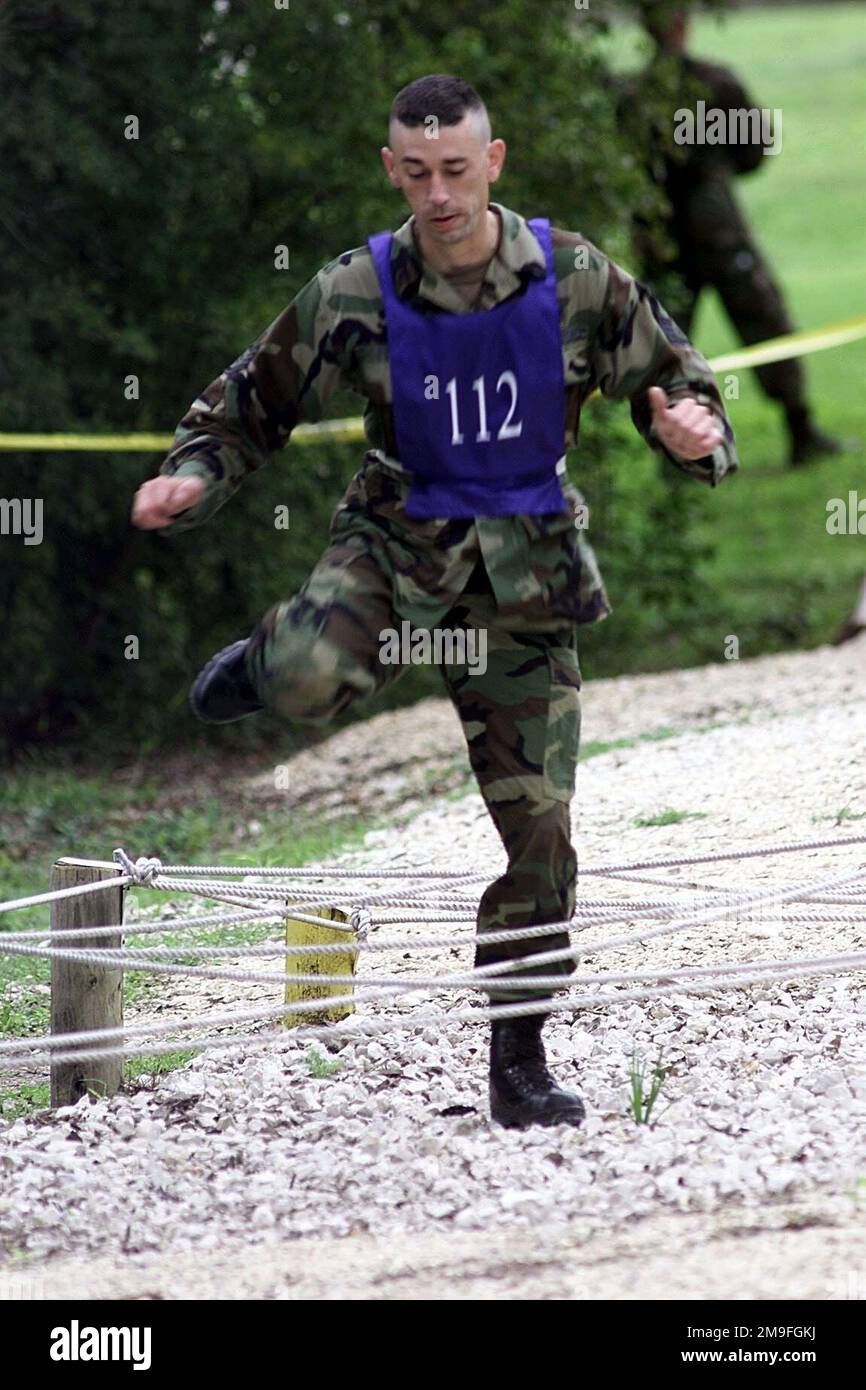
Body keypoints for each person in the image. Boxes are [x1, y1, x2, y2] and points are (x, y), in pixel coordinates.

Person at [130, 73, 738, 1130]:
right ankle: (270, 657)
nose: (438, 194)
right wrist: (193, 478)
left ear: (491, 163)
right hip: (394, 544)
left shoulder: (574, 274)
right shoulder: (354, 290)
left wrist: (695, 435)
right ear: (390, 170)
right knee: (310, 680)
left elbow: (680, 382)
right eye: (414, 174)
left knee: (541, 832)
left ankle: (517, 1055)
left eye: (455, 170)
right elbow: (244, 406)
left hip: (525, 576)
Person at [623, 2, 844, 467]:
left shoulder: (634, 94)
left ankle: (674, 457)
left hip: (663, 234)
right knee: (761, 320)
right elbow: (755, 152)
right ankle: (798, 428)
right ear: (683, 25)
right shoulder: (714, 83)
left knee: (669, 342)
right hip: (714, 228)